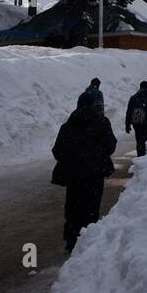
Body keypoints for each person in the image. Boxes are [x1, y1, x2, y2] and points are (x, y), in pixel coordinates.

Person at [51, 94, 117, 253]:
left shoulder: (68, 125)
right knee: (92, 205)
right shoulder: (102, 123)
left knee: (73, 206)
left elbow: (57, 150)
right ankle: (88, 238)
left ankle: (71, 239)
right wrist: (97, 156)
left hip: (74, 174)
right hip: (95, 173)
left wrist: (73, 159)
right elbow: (110, 145)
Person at [125, 81, 147, 156]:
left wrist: (127, 124)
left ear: (140, 87)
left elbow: (129, 112)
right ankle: (143, 158)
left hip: (137, 123)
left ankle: (140, 155)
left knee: (139, 140)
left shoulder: (134, 97)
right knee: (146, 141)